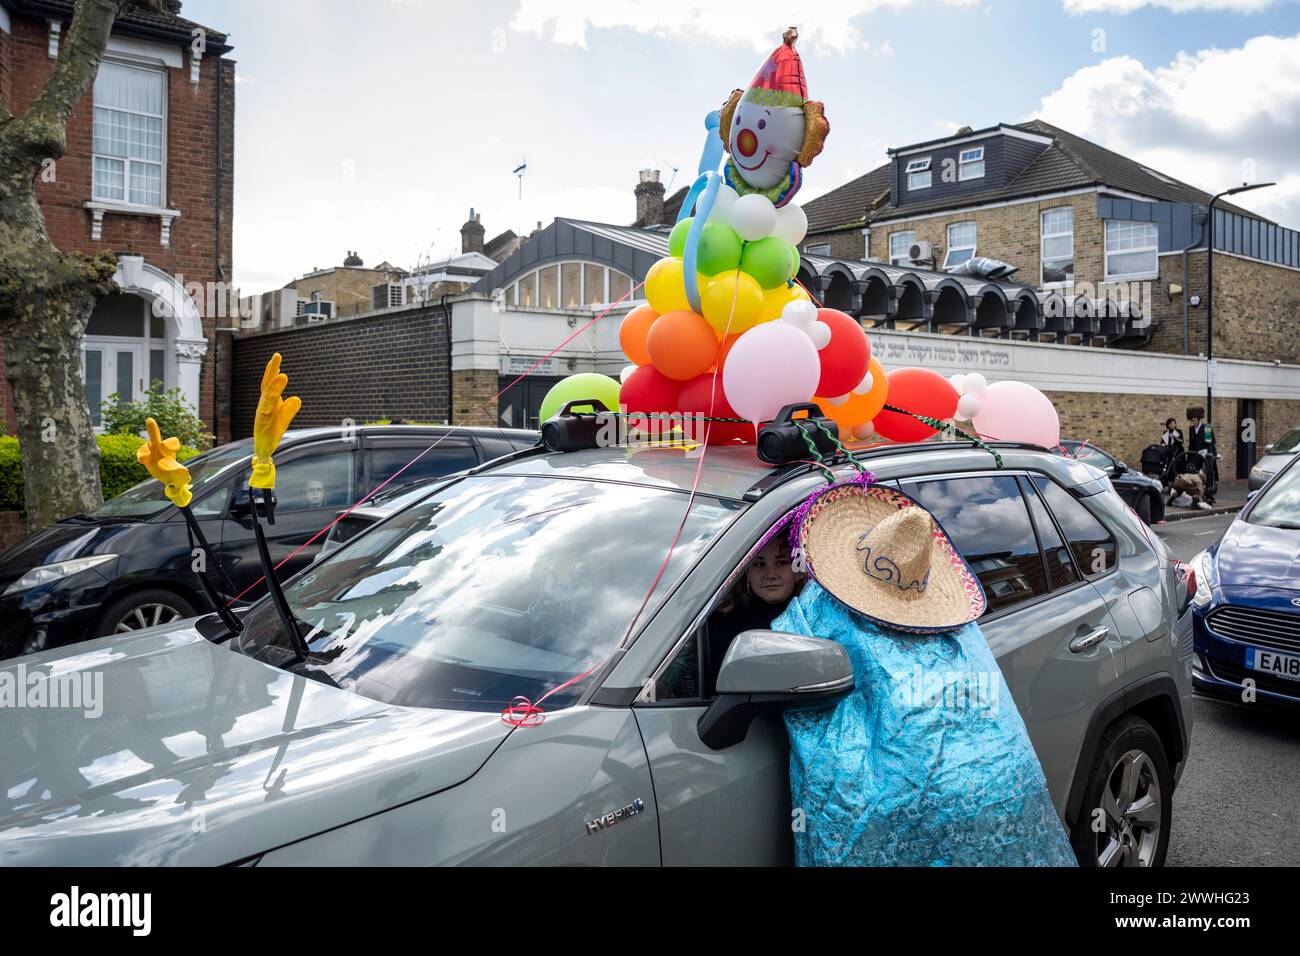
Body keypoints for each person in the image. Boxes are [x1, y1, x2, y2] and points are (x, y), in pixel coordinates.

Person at [773, 475, 1077, 866]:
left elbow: (782, 641)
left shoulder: (823, 605)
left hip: (917, 806)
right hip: (1005, 787)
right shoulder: (964, 631)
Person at [706, 536, 806, 689]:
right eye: (759, 564)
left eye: (781, 562)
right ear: (747, 572)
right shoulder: (730, 627)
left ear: (797, 569)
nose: (771, 574)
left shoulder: (815, 616)